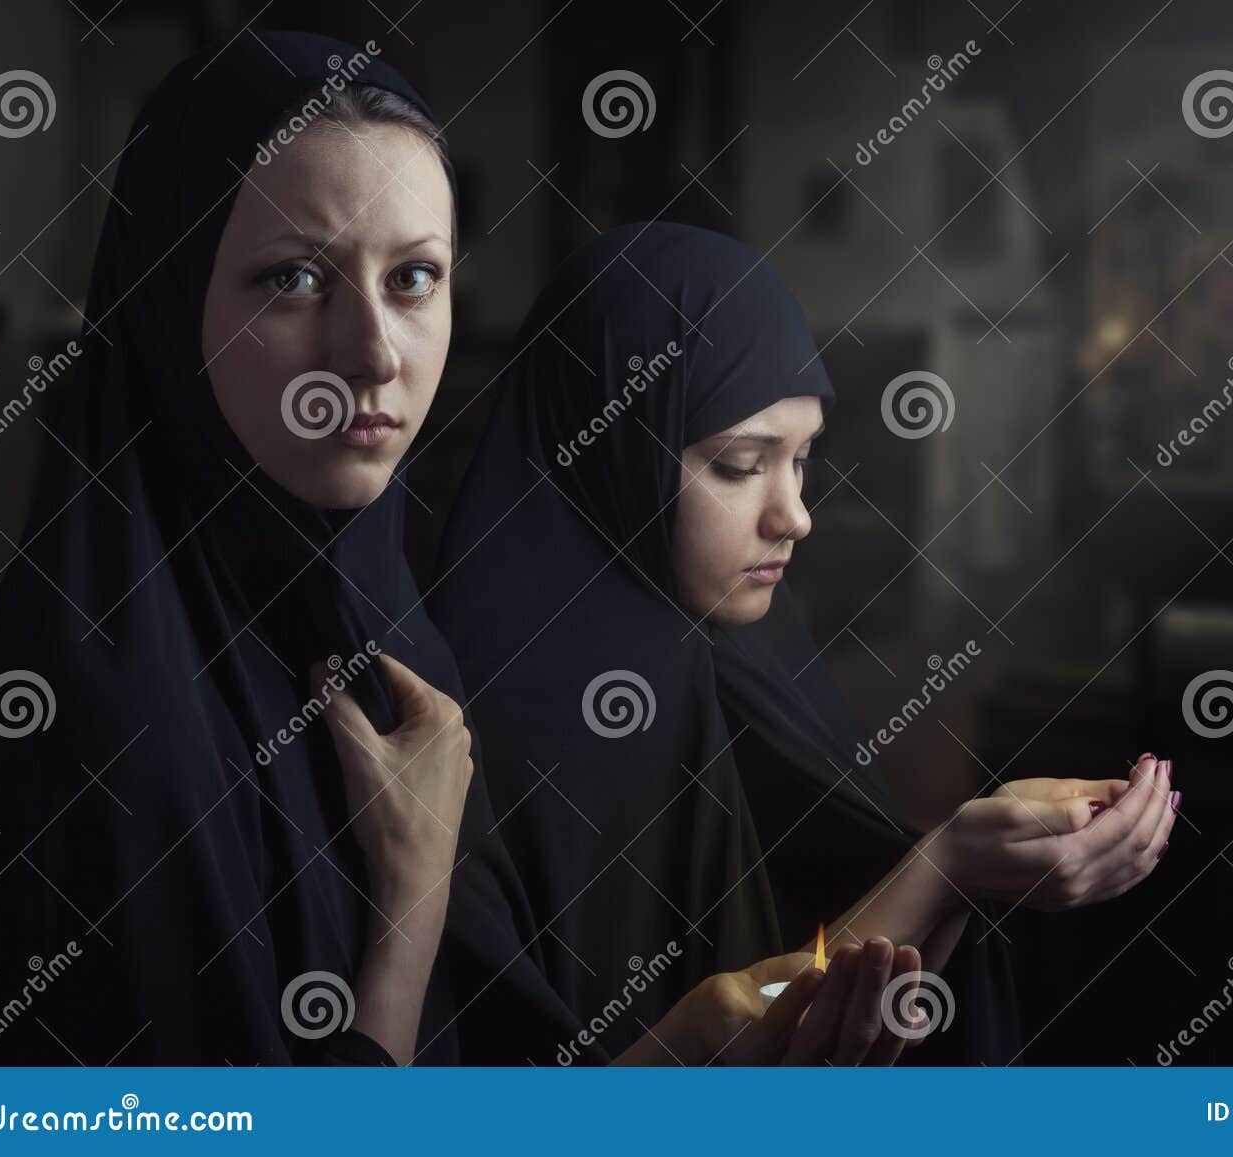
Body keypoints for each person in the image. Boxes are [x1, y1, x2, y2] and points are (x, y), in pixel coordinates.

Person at [0, 34, 913, 1068]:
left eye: (415, 277)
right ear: (168, 295)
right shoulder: (92, 715)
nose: (374, 351)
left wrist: (698, 1038)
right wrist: (410, 899)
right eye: (293, 278)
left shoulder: (394, 646)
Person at [429, 222, 1181, 1064]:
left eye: (802, 459)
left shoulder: (741, 654)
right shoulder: (494, 728)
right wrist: (945, 867)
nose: (795, 515)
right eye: (742, 465)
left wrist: (964, 863)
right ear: (613, 448)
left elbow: (772, 999)